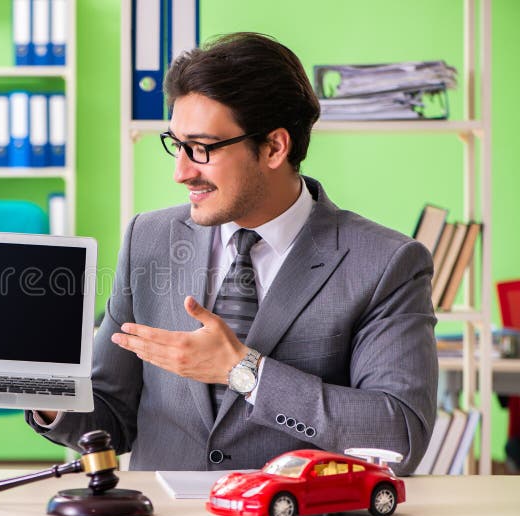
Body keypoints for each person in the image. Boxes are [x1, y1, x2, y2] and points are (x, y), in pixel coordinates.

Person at [26, 32, 437, 475]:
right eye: (176, 144)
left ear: (275, 147)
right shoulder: (148, 237)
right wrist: (44, 391)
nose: (180, 172)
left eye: (201, 148)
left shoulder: (386, 263)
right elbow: (112, 414)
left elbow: (400, 435)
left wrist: (245, 371)